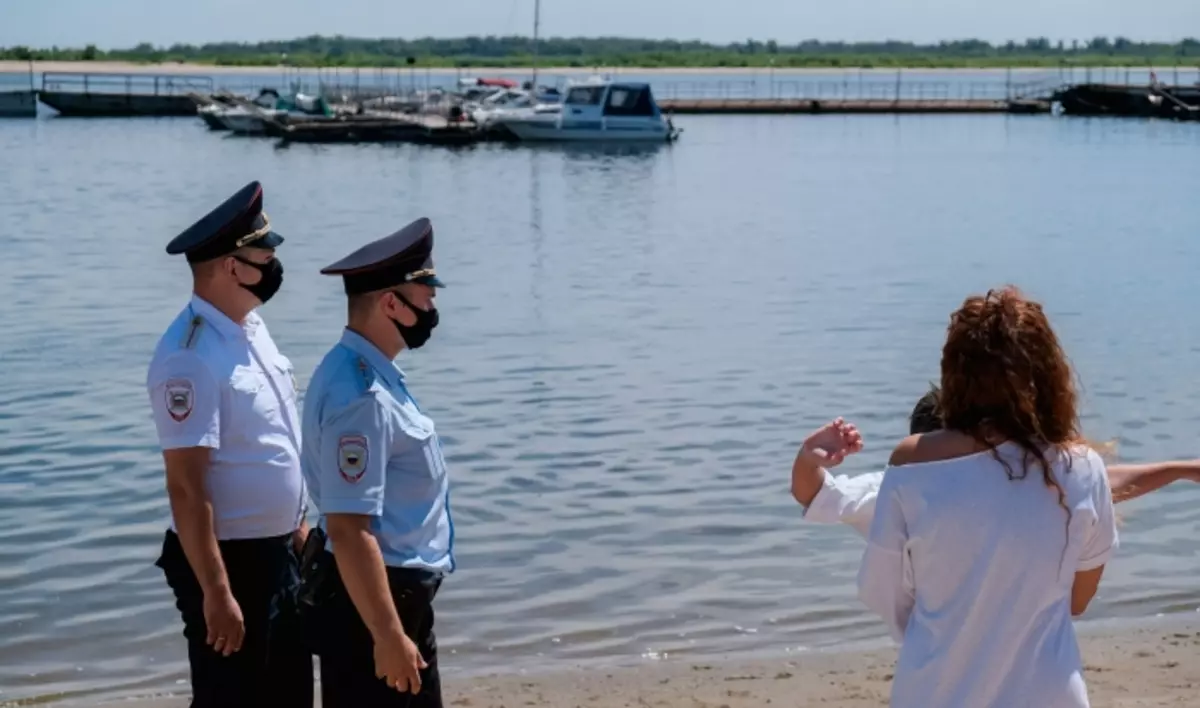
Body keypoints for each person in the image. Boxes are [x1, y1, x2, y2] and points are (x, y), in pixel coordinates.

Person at [841, 286, 1116, 707]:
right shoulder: (1081, 468)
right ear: (1047, 376)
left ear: (955, 374)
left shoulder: (912, 463)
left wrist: (946, 628)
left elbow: (882, 591)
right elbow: (1076, 600)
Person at [146, 181, 313, 707]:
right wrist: (217, 593)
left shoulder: (251, 328)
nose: (273, 263)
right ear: (231, 266)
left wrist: (298, 525)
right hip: (227, 563)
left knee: (287, 695)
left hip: (278, 552)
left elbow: (274, 440)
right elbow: (187, 488)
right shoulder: (189, 356)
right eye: (264, 255)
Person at [300, 217, 453, 708]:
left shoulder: (363, 370)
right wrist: (387, 636)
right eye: (426, 294)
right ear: (392, 303)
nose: (432, 306)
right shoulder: (363, 394)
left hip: (381, 599)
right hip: (376, 602)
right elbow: (348, 528)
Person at [792, 389, 1200, 538]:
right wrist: (809, 458)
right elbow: (819, 494)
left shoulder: (1008, 480)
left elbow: (1100, 481)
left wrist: (1181, 468)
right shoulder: (894, 491)